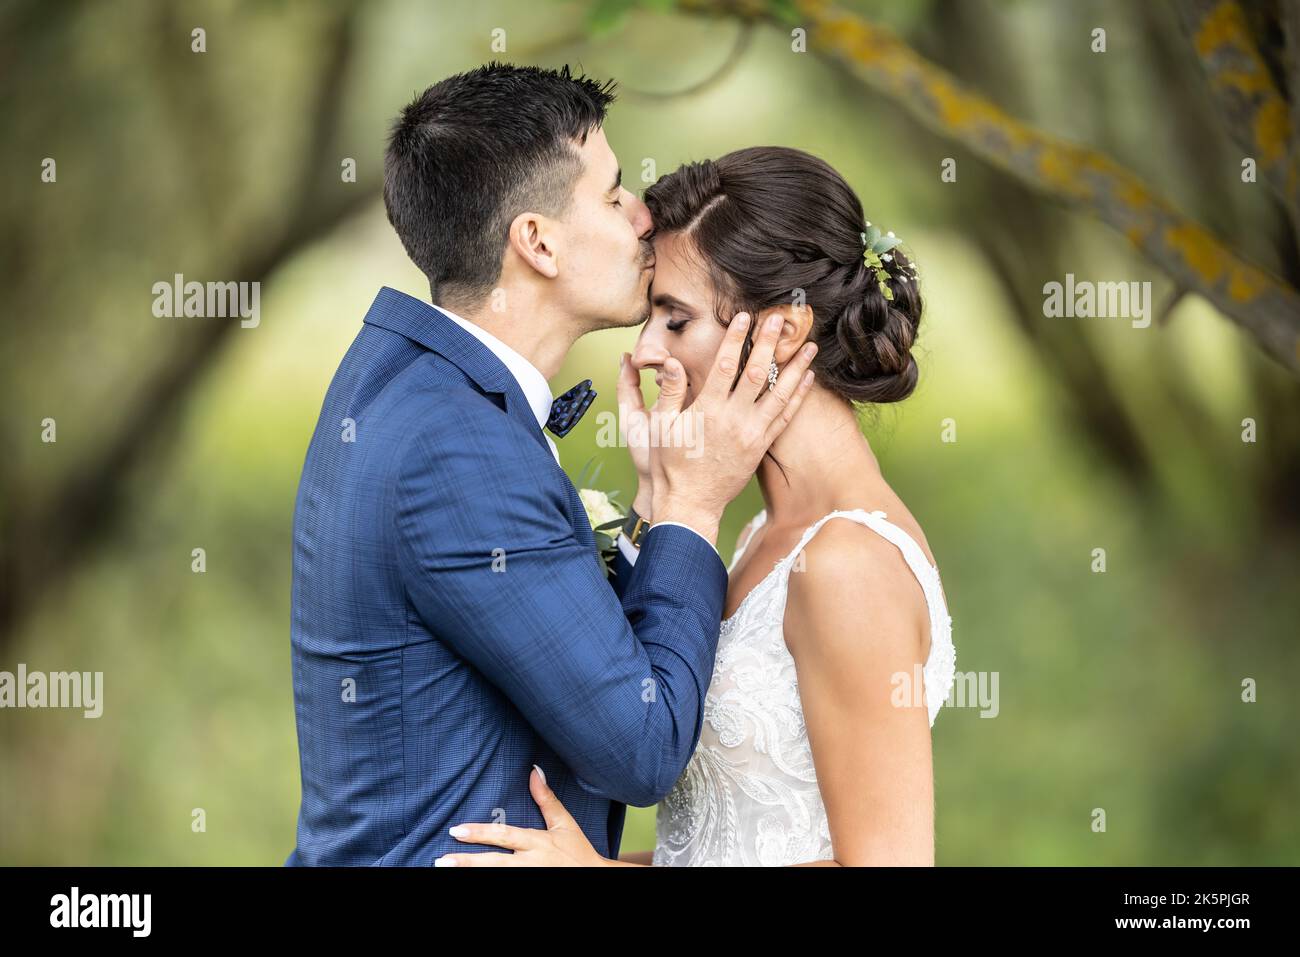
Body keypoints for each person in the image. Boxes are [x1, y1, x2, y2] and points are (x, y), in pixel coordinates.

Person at [284, 68, 817, 865]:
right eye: (612, 196)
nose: (643, 216)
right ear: (537, 241)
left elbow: (551, 629)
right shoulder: (455, 448)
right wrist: (696, 507)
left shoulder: (405, 380)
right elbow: (640, 747)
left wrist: (652, 503)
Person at [436, 146, 956, 867]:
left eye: (675, 321)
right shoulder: (764, 534)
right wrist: (659, 500)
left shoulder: (848, 563)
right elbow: (728, 840)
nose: (647, 351)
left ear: (783, 330)